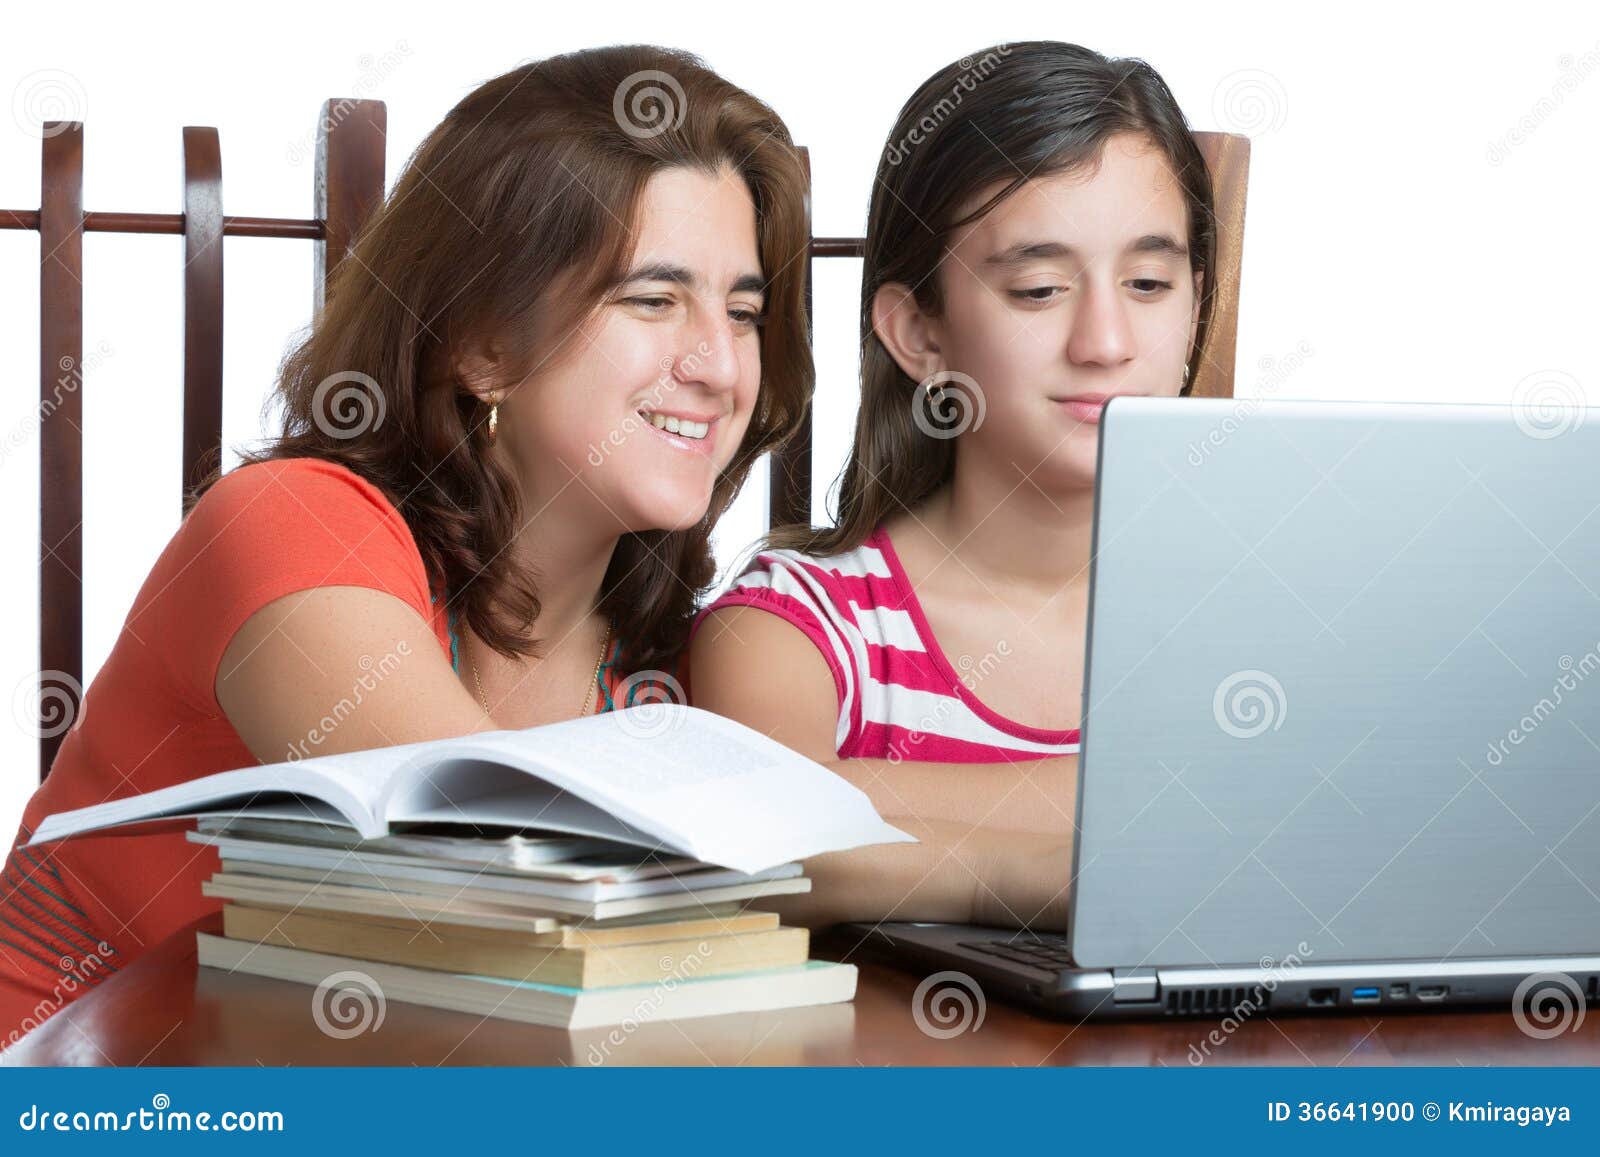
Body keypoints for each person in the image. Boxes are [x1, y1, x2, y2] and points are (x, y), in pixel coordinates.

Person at [0, 43, 813, 1044]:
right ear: (480, 343)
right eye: (651, 298)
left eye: (742, 310)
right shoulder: (292, 520)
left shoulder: (657, 646)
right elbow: (484, 858)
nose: (720, 364)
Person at [690, 41, 1216, 930]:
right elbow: (760, 832)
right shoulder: (798, 628)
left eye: (1151, 282)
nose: (1106, 341)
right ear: (918, 333)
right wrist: (1185, 796)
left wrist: (863, 801)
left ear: (1197, 299)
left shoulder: (1270, 618)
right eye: (1039, 288)